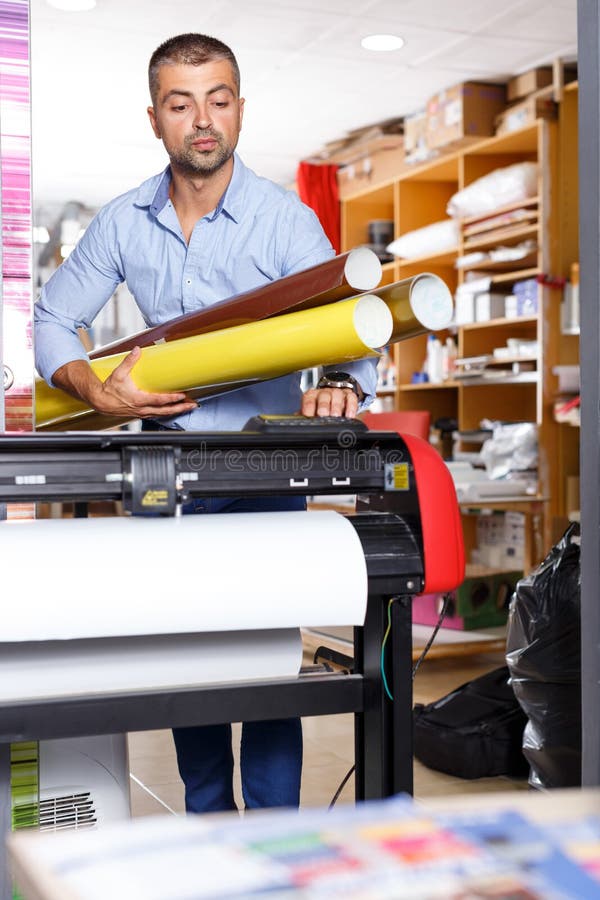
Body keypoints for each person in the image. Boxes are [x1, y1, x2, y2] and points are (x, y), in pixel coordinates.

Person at [34, 33, 378, 814]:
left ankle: (276, 834)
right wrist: (91, 385)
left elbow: (353, 330)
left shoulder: (284, 222)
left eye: (218, 100)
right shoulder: (124, 221)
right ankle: (206, 827)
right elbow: (53, 318)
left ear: (240, 110)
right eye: (181, 104)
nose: (202, 120)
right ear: (155, 118)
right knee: (188, 656)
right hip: (169, 469)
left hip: (264, 470)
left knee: (261, 660)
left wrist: (336, 383)